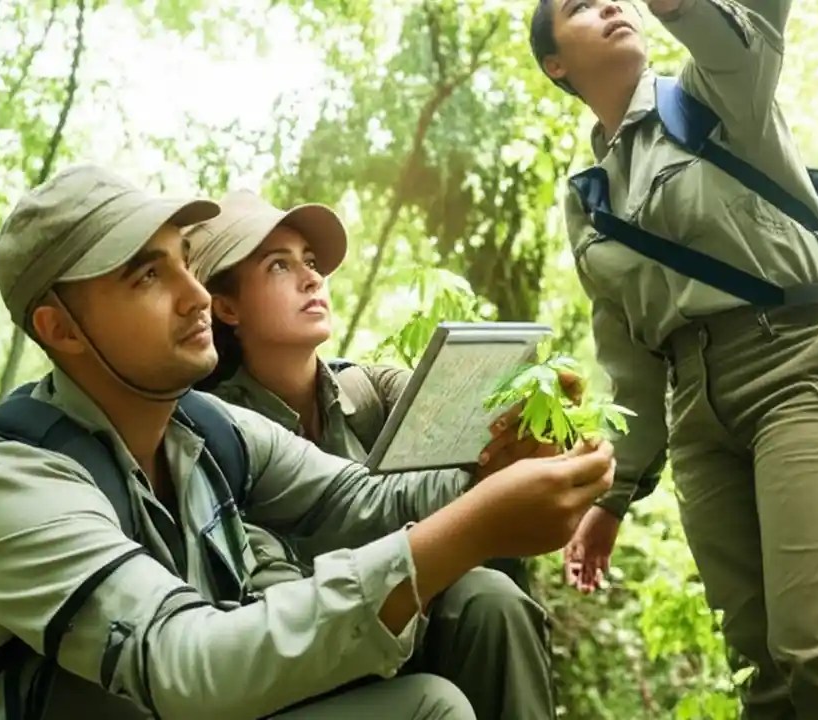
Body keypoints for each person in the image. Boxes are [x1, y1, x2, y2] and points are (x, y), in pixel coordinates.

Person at [0, 163, 617, 720]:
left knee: (431, 707)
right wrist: (477, 526)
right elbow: (184, 663)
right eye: (148, 275)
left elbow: (361, 498)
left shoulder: (204, 429)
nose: (196, 294)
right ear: (60, 329)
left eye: (185, 260)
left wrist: (494, 474)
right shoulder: (14, 491)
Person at [529, 1, 818, 718]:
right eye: (581, 6)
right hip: (697, 419)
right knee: (764, 674)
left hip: (803, 366)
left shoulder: (714, 93)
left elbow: (757, 23)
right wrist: (612, 501)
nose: (611, 5)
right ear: (556, 64)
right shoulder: (588, 200)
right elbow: (631, 364)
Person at [183, 188, 557, 719]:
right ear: (226, 307)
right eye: (278, 267)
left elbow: (464, 425)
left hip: (417, 620)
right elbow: (275, 605)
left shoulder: (368, 390)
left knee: (490, 598)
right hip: (319, 663)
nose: (312, 279)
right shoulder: (217, 440)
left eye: (311, 262)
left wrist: (528, 424)